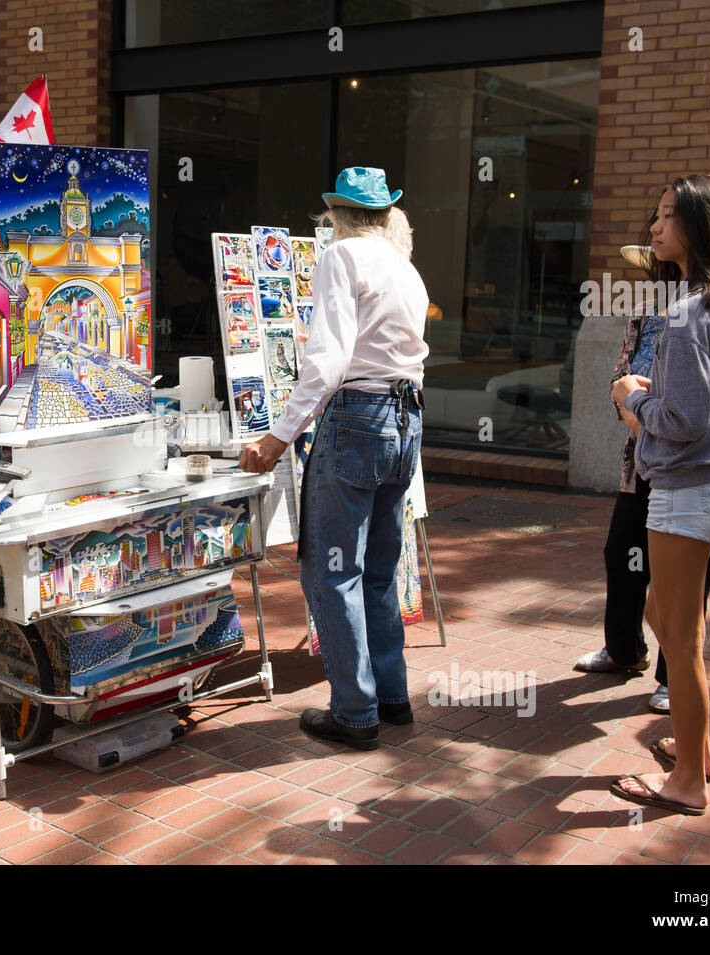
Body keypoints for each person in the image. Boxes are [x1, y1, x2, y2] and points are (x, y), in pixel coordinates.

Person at [239, 166, 429, 751]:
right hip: (406, 419)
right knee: (376, 569)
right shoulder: (405, 266)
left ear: (338, 216)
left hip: (359, 419)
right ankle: (389, 696)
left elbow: (327, 361)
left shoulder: (342, 258)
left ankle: (354, 711)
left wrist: (277, 437)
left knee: (333, 568)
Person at [576, 233, 710, 716]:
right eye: (656, 270)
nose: (660, 276)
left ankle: (675, 677)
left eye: (666, 267)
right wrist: (628, 399)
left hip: (698, 465)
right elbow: (621, 375)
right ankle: (624, 649)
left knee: (688, 580)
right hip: (645, 455)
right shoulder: (649, 312)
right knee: (623, 554)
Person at [608, 174, 710, 815]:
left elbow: (682, 422)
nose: (653, 227)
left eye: (668, 217)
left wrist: (632, 395)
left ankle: (688, 784)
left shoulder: (686, 316)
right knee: (668, 623)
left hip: (689, 489)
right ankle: (694, 749)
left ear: (698, 228)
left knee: (680, 638)